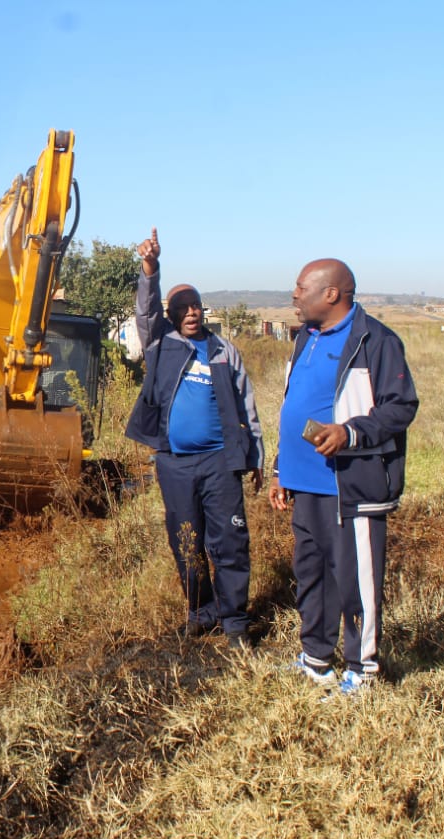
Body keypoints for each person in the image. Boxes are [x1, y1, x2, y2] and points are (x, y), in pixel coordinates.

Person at [268, 258, 419, 697]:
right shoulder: (305, 339)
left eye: (301, 288)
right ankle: (316, 659)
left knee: (356, 581)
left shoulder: (376, 341)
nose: (294, 296)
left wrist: (350, 433)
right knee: (311, 576)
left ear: (331, 294)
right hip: (306, 485)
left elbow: (400, 407)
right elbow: (294, 405)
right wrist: (282, 470)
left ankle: (363, 669)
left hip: (349, 485)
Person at [125, 227, 266, 649]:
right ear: (171, 315)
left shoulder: (224, 350)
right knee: (186, 540)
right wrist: (151, 268)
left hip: (221, 462)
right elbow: (145, 312)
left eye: (196, 306)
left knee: (229, 539)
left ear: (204, 311)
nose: (190, 313)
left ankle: (235, 621)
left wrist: (256, 453)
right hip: (175, 464)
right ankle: (201, 612)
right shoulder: (161, 346)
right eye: (182, 307)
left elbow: (247, 404)